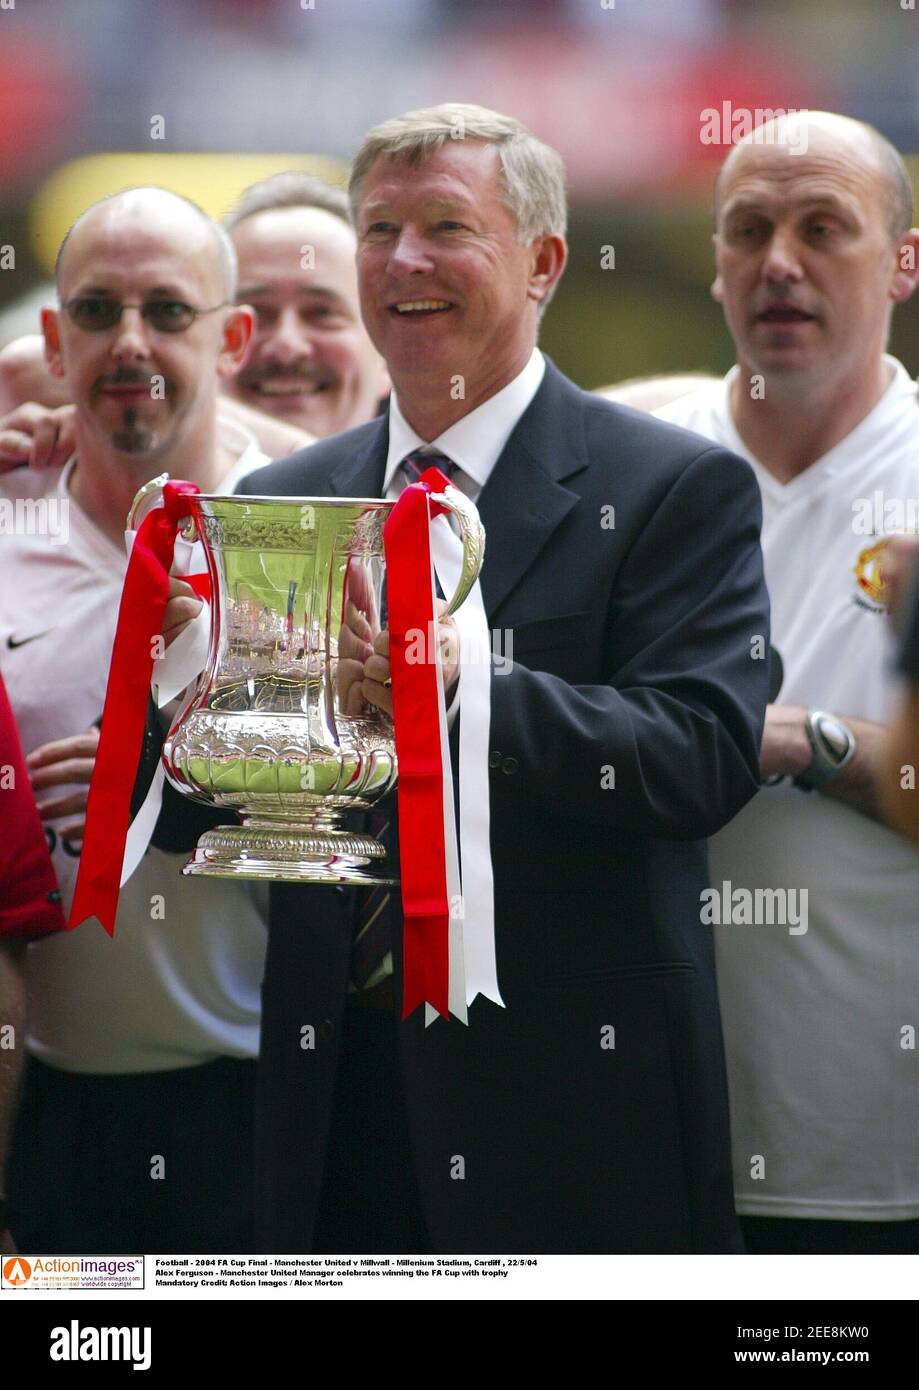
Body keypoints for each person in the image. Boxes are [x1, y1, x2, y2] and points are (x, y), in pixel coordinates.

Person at [153, 103, 771, 1254]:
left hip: (572, 1106)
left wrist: (459, 687)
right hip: (333, 1094)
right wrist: (178, 700)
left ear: (543, 261)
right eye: (378, 228)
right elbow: (220, 812)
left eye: (447, 225)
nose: (404, 261)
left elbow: (703, 756)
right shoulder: (289, 494)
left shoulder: (669, 486)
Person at [655, 111, 919, 1253]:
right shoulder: (624, 454)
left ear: (904, 261)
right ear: (715, 262)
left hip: (877, 1151)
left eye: (825, 228)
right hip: (638, 1140)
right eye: (748, 229)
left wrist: (803, 740)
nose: (779, 262)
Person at [0, 187, 274, 1254]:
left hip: (268, 1091)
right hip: (43, 1101)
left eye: (168, 312)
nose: (131, 342)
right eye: (99, 311)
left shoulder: (313, 531)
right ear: (54, 341)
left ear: (232, 336)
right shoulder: (7, 520)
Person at [223, 171, 390, 438]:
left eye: (322, 313)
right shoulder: (148, 480)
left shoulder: (453, 478)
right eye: (255, 314)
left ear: (387, 358)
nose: (286, 346)